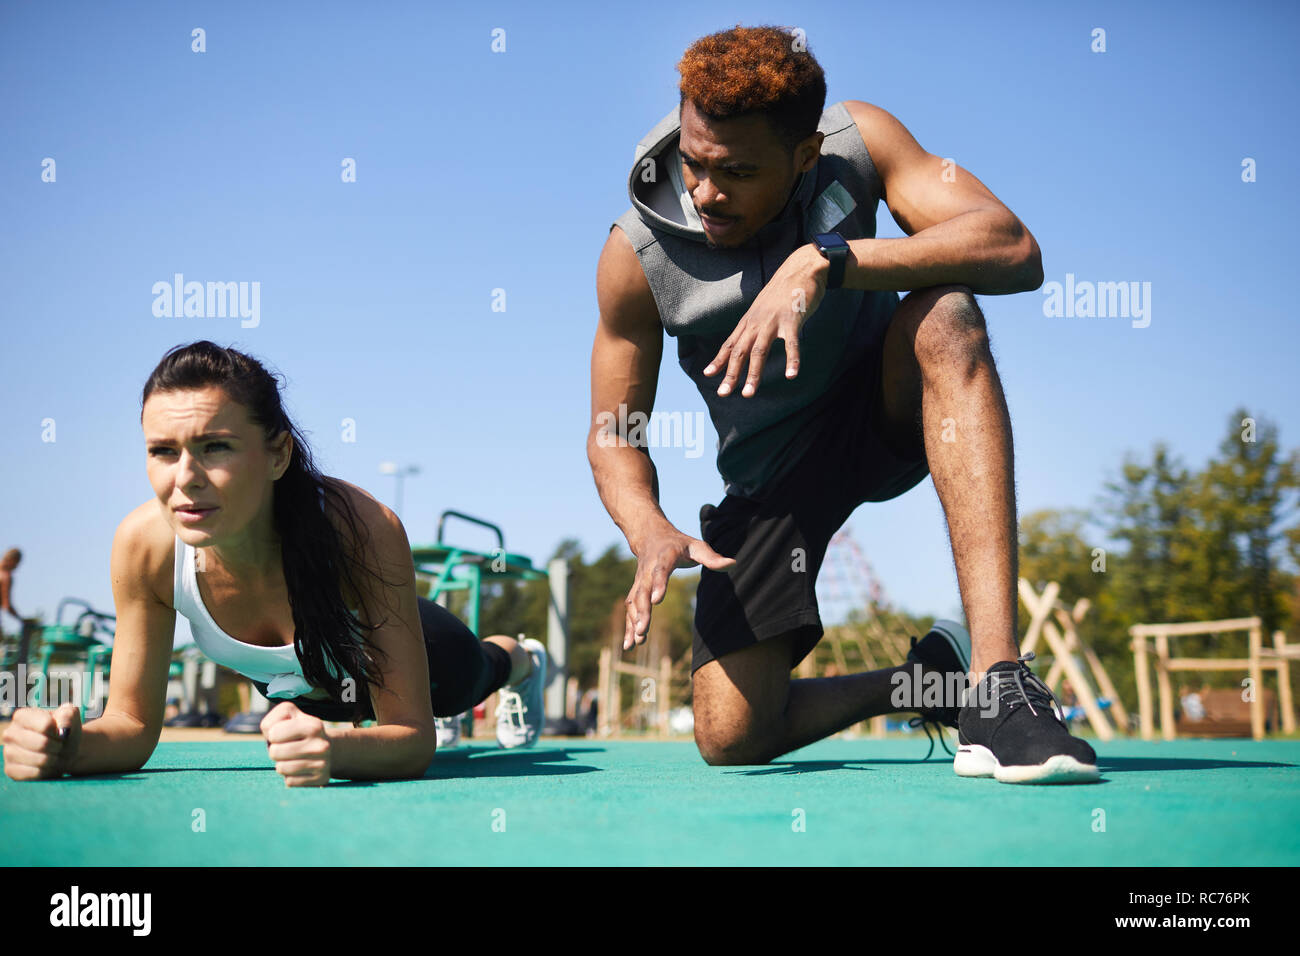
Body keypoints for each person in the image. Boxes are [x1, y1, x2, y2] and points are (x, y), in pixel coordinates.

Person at [588, 26, 1097, 783]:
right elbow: (613, 432)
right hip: (771, 481)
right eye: (694, 162)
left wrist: (827, 259)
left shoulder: (861, 143)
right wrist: (645, 524)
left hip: (882, 400)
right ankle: (931, 681)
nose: (704, 192)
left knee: (948, 313)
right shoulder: (637, 256)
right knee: (732, 736)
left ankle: (999, 684)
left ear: (805, 156)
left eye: (735, 171)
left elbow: (1014, 248)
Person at [2, 341, 547, 786]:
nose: (185, 477)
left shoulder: (361, 528)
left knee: (463, 680)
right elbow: (133, 725)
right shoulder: (144, 546)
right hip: (301, 695)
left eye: (216, 447)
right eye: (163, 451)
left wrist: (334, 749)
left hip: (418, 659)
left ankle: (519, 659)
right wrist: (66, 745)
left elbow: (409, 737)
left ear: (278, 454)